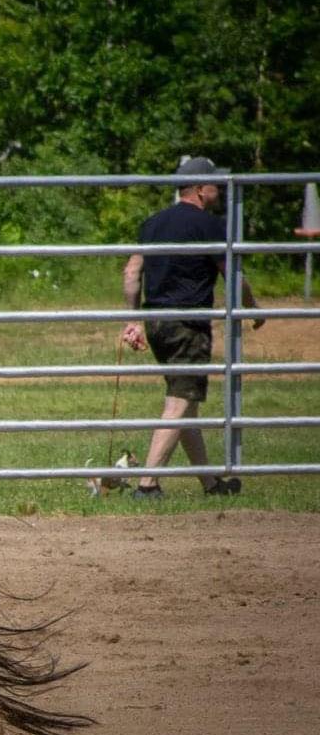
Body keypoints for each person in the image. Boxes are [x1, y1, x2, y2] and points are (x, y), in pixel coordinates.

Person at [119, 156, 264, 497]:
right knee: (180, 402)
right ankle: (147, 485)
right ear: (201, 190)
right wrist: (255, 309)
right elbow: (234, 276)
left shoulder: (153, 223)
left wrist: (133, 318)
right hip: (187, 325)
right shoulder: (209, 225)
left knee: (187, 404)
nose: (218, 190)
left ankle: (211, 484)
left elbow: (131, 273)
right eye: (214, 184)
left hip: (157, 324)